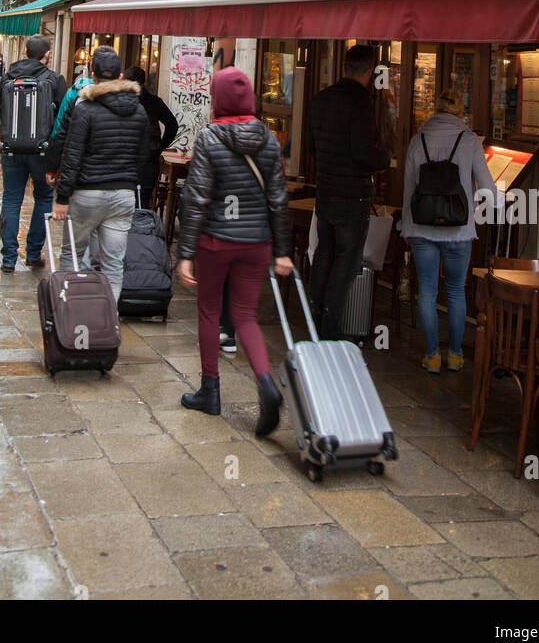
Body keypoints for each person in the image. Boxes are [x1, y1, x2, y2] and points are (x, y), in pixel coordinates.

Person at [176, 66, 293, 436]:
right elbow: (278, 199)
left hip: (216, 241)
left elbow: (196, 199)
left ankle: (210, 392)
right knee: (245, 316)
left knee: (210, 312)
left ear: (218, 98)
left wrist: (186, 252)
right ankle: (265, 382)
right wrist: (283, 250)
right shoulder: (270, 141)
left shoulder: (210, 139)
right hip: (257, 244)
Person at [402, 88, 496, 373]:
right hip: (458, 230)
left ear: (436, 110)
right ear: (459, 113)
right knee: (456, 291)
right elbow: (488, 187)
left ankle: (432, 355)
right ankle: (455, 354)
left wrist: (405, 226)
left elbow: (409, 189)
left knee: (427, 292)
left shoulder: (418, 141)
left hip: (421, 227)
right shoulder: (469, 141)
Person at [51, 46, 149, 302]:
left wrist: (62, 198)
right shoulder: (139, 110)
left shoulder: (85, 108)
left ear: (92, 74)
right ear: (119, 76)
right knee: (114, 265)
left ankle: (73, 311)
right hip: (123, 194)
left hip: (87, 193)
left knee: (73, 254)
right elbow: (143, 154)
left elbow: (73, 156)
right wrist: (128, 177)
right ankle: (107, 316)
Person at [306, 44, 388, 340]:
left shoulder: (321, 100)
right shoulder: (361, 104)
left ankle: (315, 317)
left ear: (344, 67)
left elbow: (311, 148)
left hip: (326, 191)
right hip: (352, 195)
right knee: (347, 260)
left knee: (324, 254)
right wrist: (385, 160)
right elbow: (363, 153)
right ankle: (331, 327)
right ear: (369, 72)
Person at [0, 35, 66, 272]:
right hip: (42, 151)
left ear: (25, 52)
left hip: (11, 150)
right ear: (47, 55)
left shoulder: (9, 76)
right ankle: (33, 254)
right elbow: (63, 117)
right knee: (43, 198)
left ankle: (9, 259)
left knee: (11, 199)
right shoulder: (54, 79)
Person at [123, 65, 179, 208]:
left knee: (123, 205)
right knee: (142, 204)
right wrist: (160, 146)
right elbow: (172, 125)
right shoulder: (154, 101)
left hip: (125, 161)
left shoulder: (121, 102)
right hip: (149, 160)